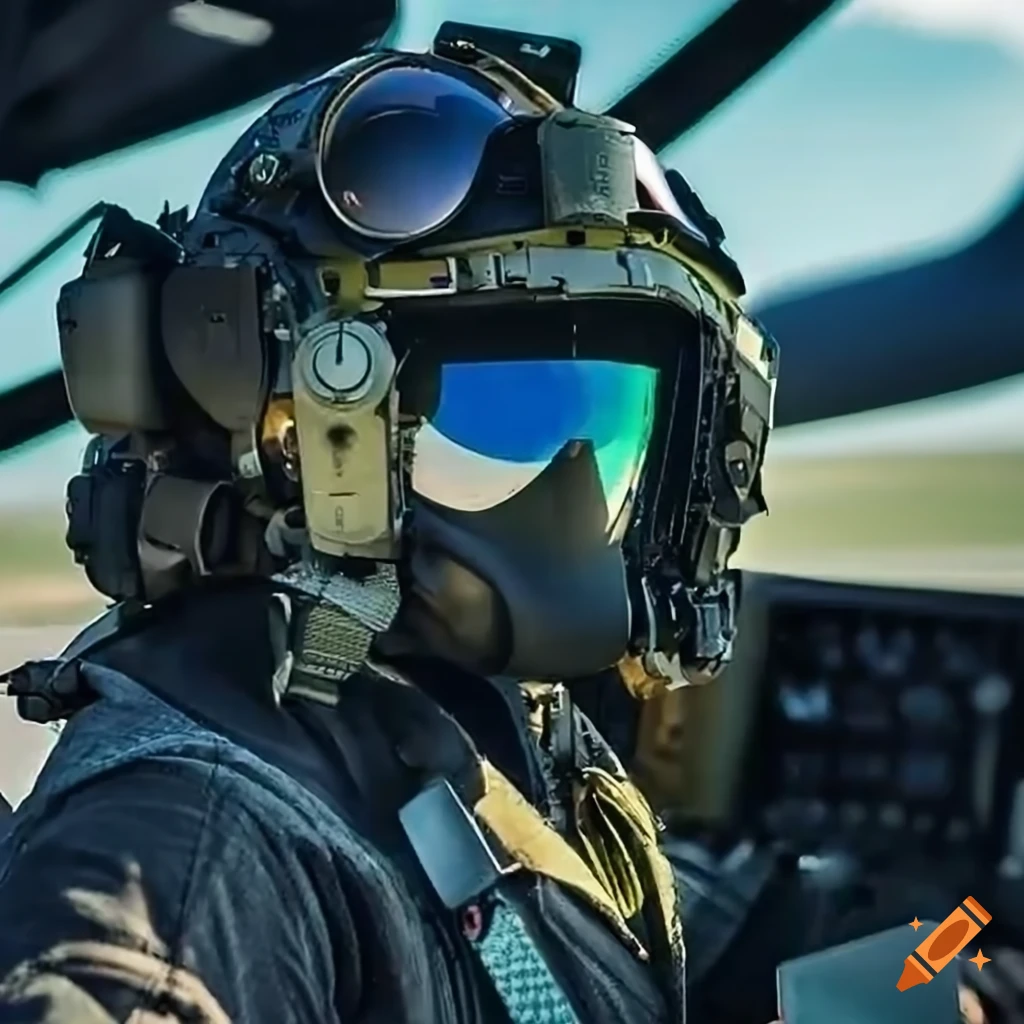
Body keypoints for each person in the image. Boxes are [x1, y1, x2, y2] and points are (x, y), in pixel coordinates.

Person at [0, 26, 779, 1024]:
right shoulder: (194, 837)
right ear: (295, 426)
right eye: (497, 426)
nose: (572, 499)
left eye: (603, 431)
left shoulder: (501, 722)